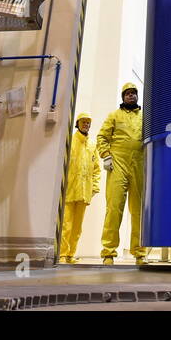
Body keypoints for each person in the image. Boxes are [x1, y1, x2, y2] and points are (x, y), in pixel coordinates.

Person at [97, 82, 147, 265]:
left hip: (138, 164)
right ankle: (108, 252)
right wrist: (106, 155)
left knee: (138, 210)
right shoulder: (114, 116)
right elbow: (102, 137)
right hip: (117, 163)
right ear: (123, 97)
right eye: (128, 94)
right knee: (114, 208)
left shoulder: (144, 116)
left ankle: (139, 252)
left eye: (134, 93)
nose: (131, 96)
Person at [59, 112, 100, 264]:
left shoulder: (92, 144)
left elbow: (96, 168)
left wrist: (94, 187)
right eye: (83, 122)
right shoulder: (70, 141)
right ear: (77, 123)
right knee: (66, 225)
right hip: (69, 190)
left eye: (88, 122)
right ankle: (62, 254)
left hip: (84, 192)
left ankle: (70, 254)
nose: (86, 124)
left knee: (77, 227)